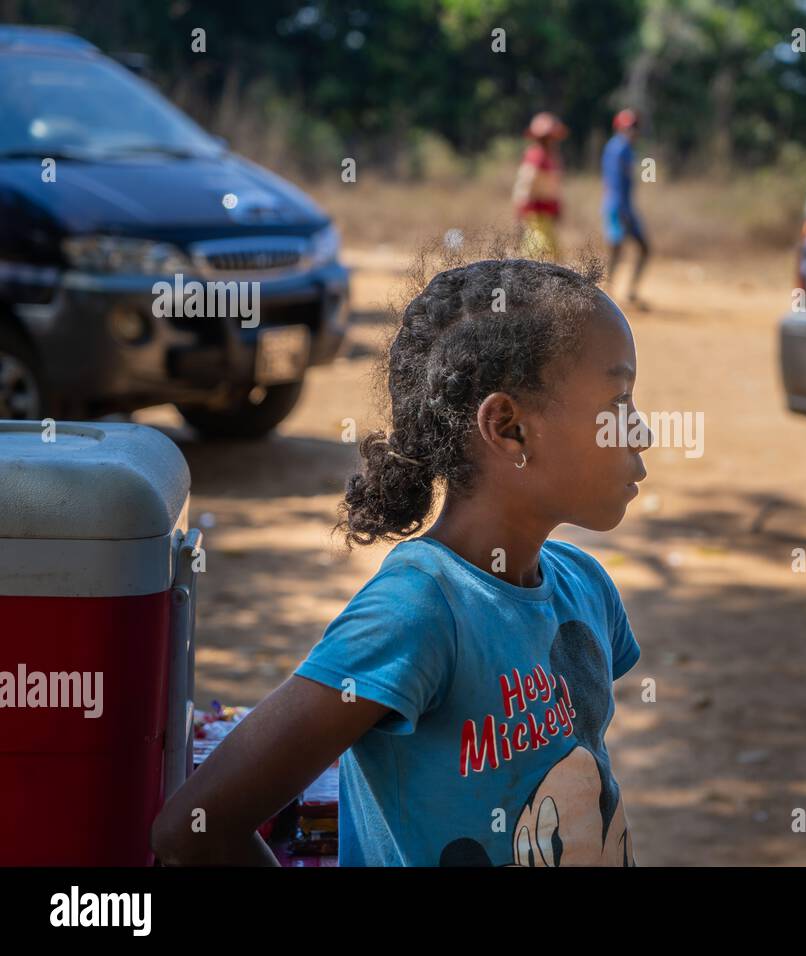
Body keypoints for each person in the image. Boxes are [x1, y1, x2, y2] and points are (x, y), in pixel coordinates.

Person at [151, 259, 651, 866]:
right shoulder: (418, 612)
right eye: (618, 401)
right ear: (509, 427)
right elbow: (193, 829)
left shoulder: (585, 588)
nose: (641, 431)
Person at [602, 108, 650, 307]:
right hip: (618, 206)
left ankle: (623, 292)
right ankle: (609, 293)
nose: (633, 131)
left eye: (635, 127)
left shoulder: (626, 149)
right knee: (618, 249)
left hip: (624, 206)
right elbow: (614, 183)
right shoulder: (619, 148)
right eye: (629, 127)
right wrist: (621, 211)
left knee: (635, 249)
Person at [513, 112, 568, 260]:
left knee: (553, 257)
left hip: (546, 215)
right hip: (536, 216)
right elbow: (525, 184)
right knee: (540, 256)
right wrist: (521, 209)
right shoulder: (536, 155)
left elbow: (553, 187)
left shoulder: (550, 157)